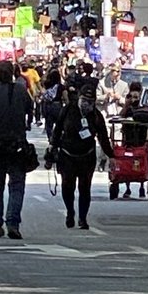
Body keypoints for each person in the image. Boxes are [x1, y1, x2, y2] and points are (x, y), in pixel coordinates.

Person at [51, 80, 113, 229]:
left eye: (90, 102)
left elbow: (103, 137)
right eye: (84, 100)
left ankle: (83, 218)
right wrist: (53, 147)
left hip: (87, 156)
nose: (87, 104)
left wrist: (111, 156)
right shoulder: (68, 110)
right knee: (67, 186)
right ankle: (70, 211)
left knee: (85, 189)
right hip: (67, 155)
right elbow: (57, 129)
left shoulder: (96, 116)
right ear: (79, 98)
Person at [0, 60, 32, 239]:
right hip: (16, 145)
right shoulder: (20, 90)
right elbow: (29, 108)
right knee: (17, 185)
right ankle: (13, 222)